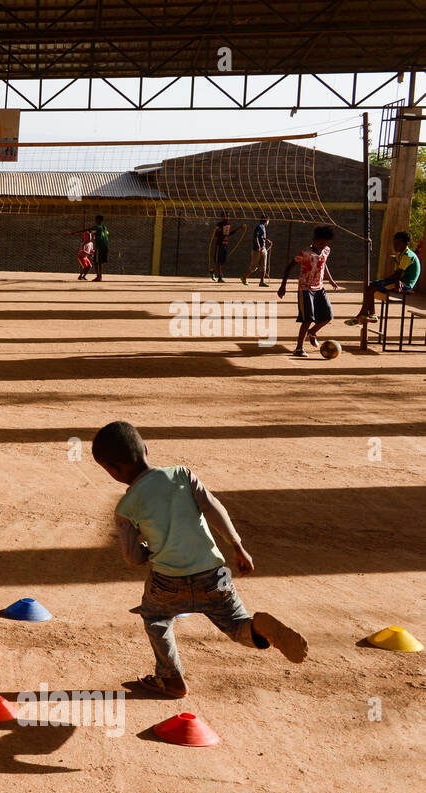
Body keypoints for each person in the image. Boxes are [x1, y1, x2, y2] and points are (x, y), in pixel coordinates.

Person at [91, 420, 307, 699]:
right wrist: (238, 546)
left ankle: (171, 680)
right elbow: (213, 507)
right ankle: (257, 628)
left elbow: (132, 557)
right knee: (235, 622)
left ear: (112, 471)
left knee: (156, 617)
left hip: (167, 582)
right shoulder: (182, 475)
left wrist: (148, 548)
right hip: (214, 575)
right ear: (146, 448)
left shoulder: (125, 508)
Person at [276, 225, 339, 357]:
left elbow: (323, 264)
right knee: (308, 318)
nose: (322, 246)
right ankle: (299, 348)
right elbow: (289, 266)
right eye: (321, 243)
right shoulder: (305, 253)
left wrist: (331, 280)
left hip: (319, 288)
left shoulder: (326, 250)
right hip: (305, 289)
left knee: (328, 316)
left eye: (325, 243)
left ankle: (312, 332)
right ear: (315, 239)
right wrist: (283, 285)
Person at [344, 231, 420, 327]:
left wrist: (384, 280)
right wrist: (386, 280)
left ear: (406, 243)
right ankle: (371, 314)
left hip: (406, 284)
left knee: (373, 287)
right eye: (394, 243)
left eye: (398, 243)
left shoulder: (407, 255)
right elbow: (396, 274)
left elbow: (397, 274)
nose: (395, 245)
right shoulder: (399, 254)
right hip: (398, 281)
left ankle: (360, 315)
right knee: (371, 285)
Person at [241, 218, 271, 287]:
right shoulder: (259, 226)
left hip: (263, 249)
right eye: (268, 221)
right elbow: (256, 237)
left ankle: (262, 282)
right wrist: (258, 247)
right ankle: (244, 277)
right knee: (254, 266)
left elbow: (261, 237)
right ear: (266, 221)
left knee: (263, 266)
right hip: (257, 250)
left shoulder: (263, 227)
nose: (268, 222)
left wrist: (266, 240)